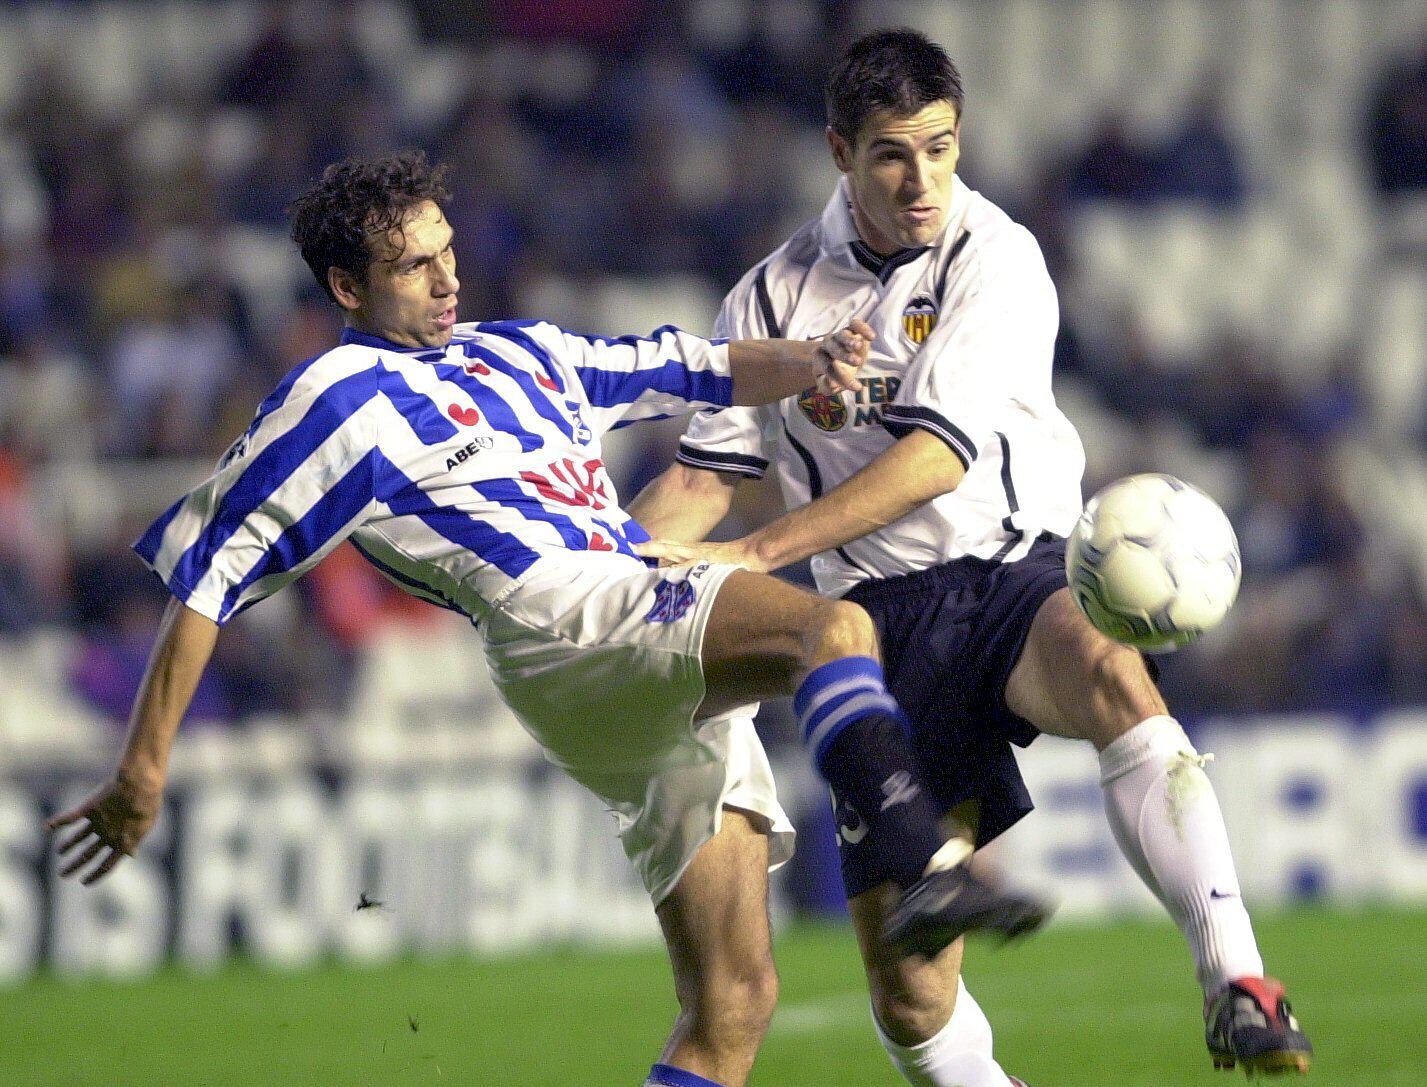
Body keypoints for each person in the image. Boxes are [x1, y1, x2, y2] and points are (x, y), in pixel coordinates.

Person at [46, 150, 1041, 1087]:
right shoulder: (334, 399)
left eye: (446, 253)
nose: (445, 283)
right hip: (564, 612)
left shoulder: (518, 352)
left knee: (732, 1006)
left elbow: (698, 367)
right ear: (347, 290)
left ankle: (912, 871)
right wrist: (142, 767)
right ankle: (921, 864)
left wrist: (813, 357)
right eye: (410, 268)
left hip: (611, 647)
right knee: (834, 632)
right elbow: (209, 579)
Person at [631, 29, 1313, 1085]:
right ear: (837, 153)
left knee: (1104, 665)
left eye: (941, 149)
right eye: (893, 155)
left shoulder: (991, 254)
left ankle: (1239, 981)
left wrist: (760, 548)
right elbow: (699, 479)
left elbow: (934, 462)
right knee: (910, 999)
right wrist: (596, 563)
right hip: (870, 634)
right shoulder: (766, 300)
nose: (922, 180)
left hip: (1009, 577)